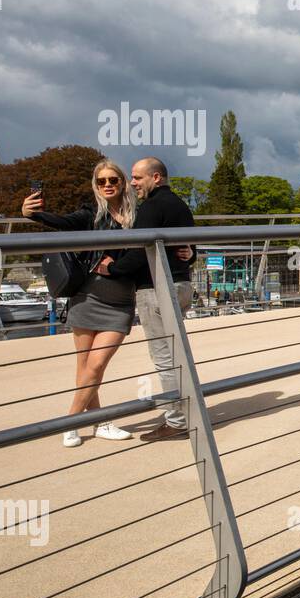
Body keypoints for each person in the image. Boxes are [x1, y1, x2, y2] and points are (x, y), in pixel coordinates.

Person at [23, 161, 138, 447]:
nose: (108, 185)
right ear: (96, 186)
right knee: (86, 365)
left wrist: (188, 252)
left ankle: (70, 420)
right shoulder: (91, 214)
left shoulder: (139, 215)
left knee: (96, 364)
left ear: (122, 182)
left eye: (113, 179)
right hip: (87, 296)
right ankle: (98, 422)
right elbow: (61, 222)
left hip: (121, 301)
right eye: (101, 182)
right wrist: (32, 214)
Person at [96, 157, 196, 442]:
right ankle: (191, 412)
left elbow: (141, 253)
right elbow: (190, 247)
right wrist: (193, 255)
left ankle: (177, 421)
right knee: (179, 355)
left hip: (157, 289)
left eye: (137, 178)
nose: (133, 184)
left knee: (164, 357)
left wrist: (112, 268)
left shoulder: (151, 208)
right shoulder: (180, 205)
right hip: (181, 285)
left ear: (156, 178)